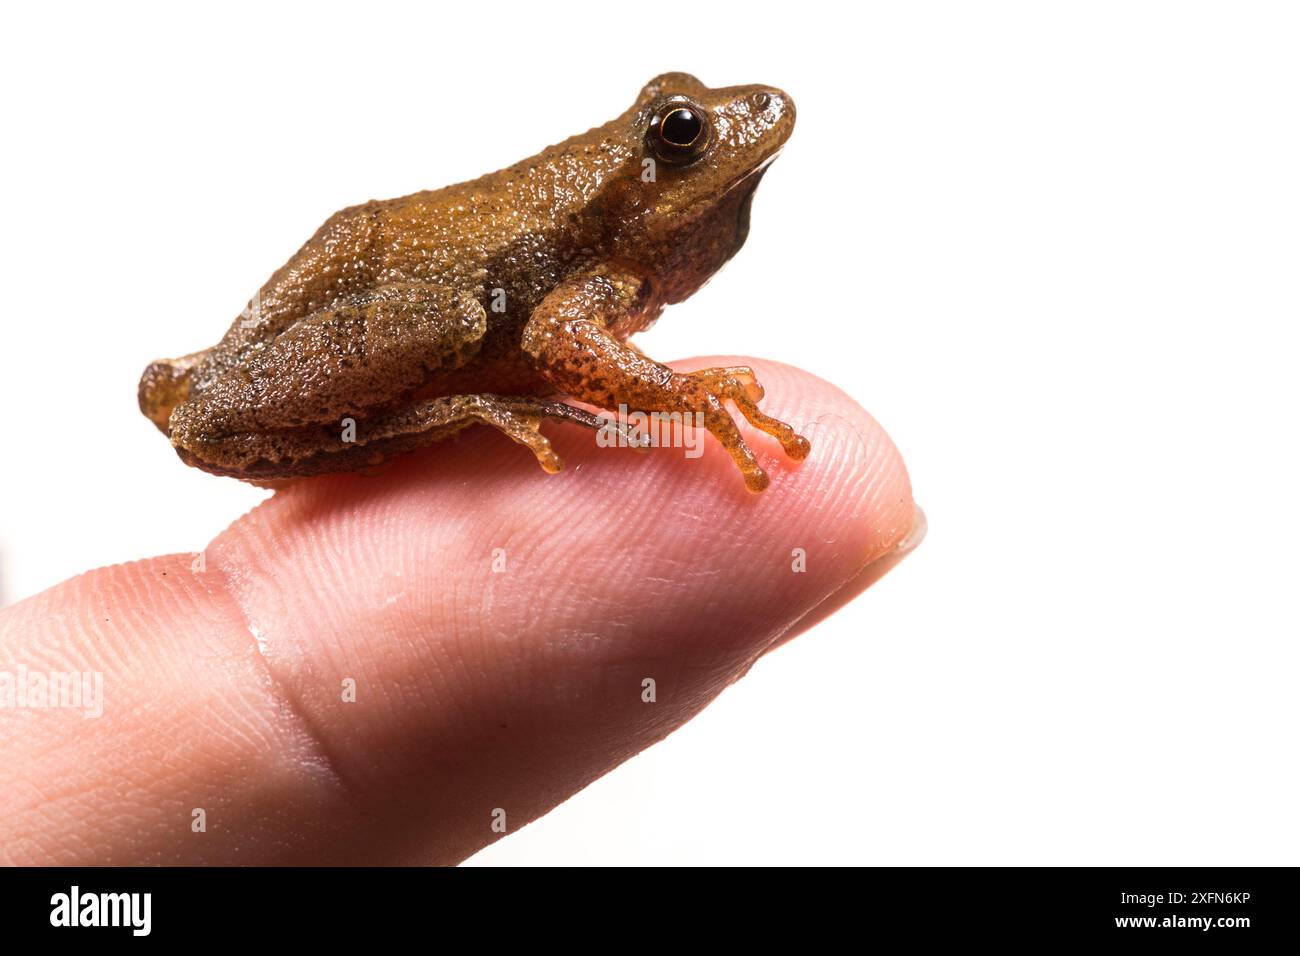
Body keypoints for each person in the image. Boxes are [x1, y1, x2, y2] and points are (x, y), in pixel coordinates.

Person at [0, 358, 921, 865]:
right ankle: (256, 394)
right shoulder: (587, 261)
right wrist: (683, 401)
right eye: (678, 138)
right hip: (395, 301)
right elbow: (568, 344)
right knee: (447, 320)